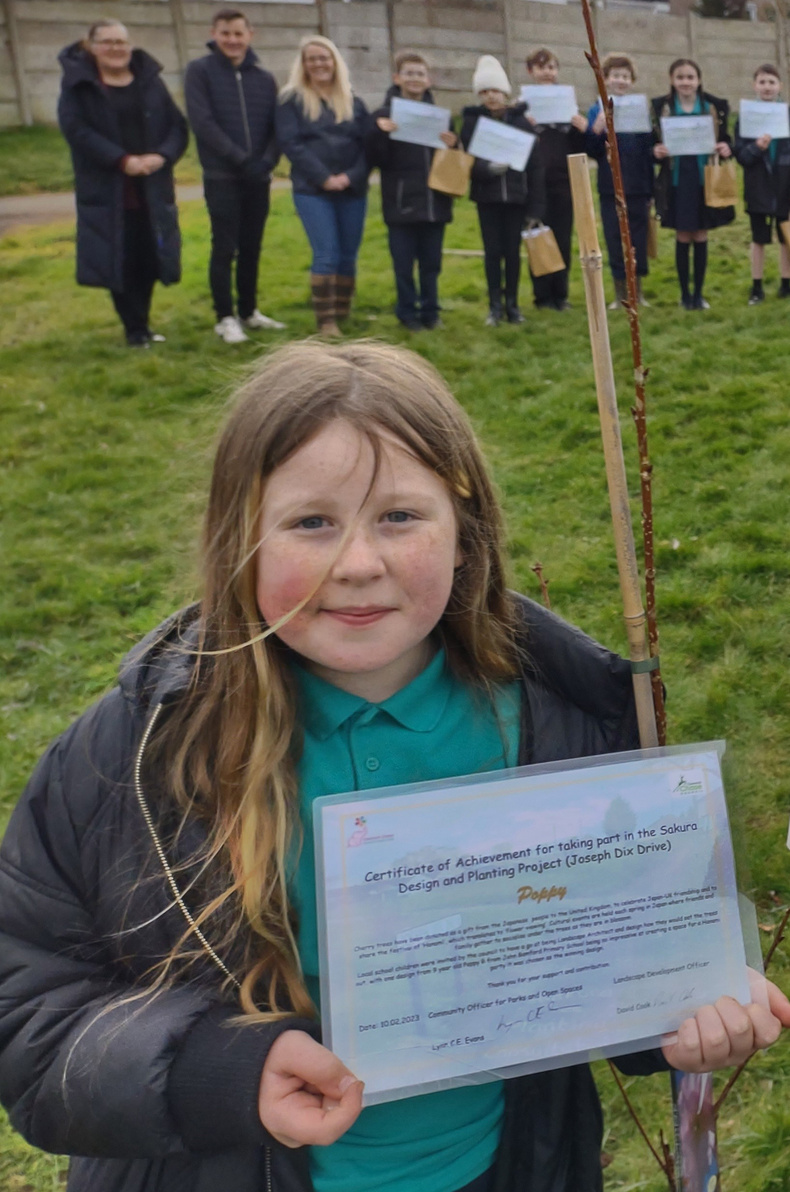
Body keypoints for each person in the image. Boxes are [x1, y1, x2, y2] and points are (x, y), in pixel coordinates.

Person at [2, 338, 789, 1192]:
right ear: (241, 541)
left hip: (508, 1168)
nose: (359, 564)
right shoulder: (138, 753)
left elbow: (604, 953)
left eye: (400, 517)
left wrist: (683, 1006)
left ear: (465, 537)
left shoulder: (564, 722)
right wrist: (217, 1072)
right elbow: (27, 1008)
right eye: (311, 522)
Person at [57, 19, 187, 347]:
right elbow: (77, 131)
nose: (117, 49)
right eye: (108, 42)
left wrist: (162, 156)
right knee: (120, 258)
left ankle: (142, 323)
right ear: (92, 47)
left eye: (122, 42)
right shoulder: (79, 85)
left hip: (152, 188)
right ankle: (134, 329)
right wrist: (121, 160)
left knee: (149, 257)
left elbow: (177, 126)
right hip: (110, 190)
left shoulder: (149, 81)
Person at [185, 6, 285, 345]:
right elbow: (203, 122)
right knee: (224, 247)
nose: (232, 40)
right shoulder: (199, 72)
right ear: (214, 34)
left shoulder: (264, 77)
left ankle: (249, 311)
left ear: (250, 36)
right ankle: (224, 317)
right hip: (222, 175)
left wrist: (268, 161)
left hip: (258, 177)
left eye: (238, 33)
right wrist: (241, 159)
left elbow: (277, 125)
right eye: (225, 33)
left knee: (252, 246)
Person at [276, 37, 370, 335]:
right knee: (326, 253)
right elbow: (291, 144)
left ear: (335, 62)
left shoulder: (354, 101)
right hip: (312, 190)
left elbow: (369, 147)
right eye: (312, 59)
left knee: (348, 254)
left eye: (324, 58)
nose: (319, 64)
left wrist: (350, 177)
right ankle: (325, 321)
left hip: (352, 189)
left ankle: (343, 313)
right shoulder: (291, 101)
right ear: (303, 65)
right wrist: (324, 177)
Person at [367, 51, 457, 331]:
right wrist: (380, 133)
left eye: (420, 73)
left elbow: (452, 162)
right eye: (409, 73)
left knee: (432, 264)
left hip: (435, 202)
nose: (415, 78)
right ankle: (407, 312)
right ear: (397, 78)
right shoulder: (383, 116)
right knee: (404, 265)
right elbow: (376, 160)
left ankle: (431, 311)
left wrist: (452, 145)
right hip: (401, 203)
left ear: (428, 80)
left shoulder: (442, 118)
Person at [460, 56, 545, 326]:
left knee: (512, 253)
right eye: (484, 92)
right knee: (492, 252)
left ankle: (513, 305)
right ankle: (494, 306)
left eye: (494, 90)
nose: (490, 96)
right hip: (488, 198)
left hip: (517, 198)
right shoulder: (472, 123)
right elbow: (466, 164)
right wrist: (486, 169)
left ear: (505, 92)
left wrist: (535, 208)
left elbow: (535, 167)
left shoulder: (522, 123)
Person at [652, 59, 733, 311]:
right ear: (672, 79)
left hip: (704, 177)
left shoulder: (714, 107)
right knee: (682, 234)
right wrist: (655, 150)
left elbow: (726, 140)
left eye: (690, 77)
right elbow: (650, 143)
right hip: (676, 178)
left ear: (698, 80)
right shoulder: (660, 107)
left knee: (700, 234)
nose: (685, 82)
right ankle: (684, 294)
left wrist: (725, 148)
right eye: (680, 77)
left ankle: (699, 294)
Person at [585, 53, 655, 309]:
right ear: (605, 79)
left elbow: (650, 150)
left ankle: (638, 292)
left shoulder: (642, 110)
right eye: (615, 76)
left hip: (637, 186)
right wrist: (596, 128)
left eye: (626, 76)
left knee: (637, 239)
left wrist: (651, 189)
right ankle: (619, 293)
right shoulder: (596, 109)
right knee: (615, 238)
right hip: (609, 186)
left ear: (632, 81)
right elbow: (591, 151)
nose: (621, 81)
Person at [524, 48, 588, 310]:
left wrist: (582, 129)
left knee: (562, 237)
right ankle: (541, 297)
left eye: (551, 67)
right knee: (537, 236)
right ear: (531, 72)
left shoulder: (569, 106)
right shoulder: (523, 107)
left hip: (564, 181)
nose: (547, 72)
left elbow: (581, 147)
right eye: (541, 68)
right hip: (534, 183)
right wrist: (524, 126)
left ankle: (560, 296)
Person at [734, 63, 790, 305]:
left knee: (786, 236)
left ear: (780, 86)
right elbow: (742, 157)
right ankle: (756, 287)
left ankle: (786, 283)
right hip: (758, 187)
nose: (767, 87)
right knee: (759, 239)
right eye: (762, 82)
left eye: (772, 82)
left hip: (785, 186)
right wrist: (757, 148)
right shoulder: (745, 118)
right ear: (754, 85)